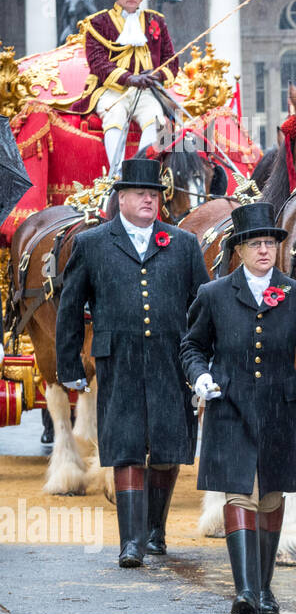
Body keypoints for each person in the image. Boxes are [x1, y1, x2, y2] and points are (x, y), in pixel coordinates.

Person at [180, 202, 296, 614]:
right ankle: (245, 590)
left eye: (269, 243)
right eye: (255, 244)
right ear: (240, 250)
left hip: (279, 410)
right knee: (238, 492)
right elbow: (191, 346)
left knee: (269, 498)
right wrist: (200, 377)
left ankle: (264, 588)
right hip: (228, 405)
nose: (264, 250)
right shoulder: (213, 295)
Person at [55, 157, 209, 567]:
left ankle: (156, 532)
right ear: (121, 198)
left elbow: (203, 307)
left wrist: (206, 362)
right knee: (124, 445)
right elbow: (69, 308)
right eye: (140, 193)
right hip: (116, 359)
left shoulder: (183, 243)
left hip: (170, 356)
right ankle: (131, 541)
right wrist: (69, 365)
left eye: (154, 194)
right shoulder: (92, 243)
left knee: (166, 445)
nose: (149, 200)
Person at [66, 0, 179, 179]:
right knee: (115, 115)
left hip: (147, 92)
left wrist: (156, 76)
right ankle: (117, 173)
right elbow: (97, 62)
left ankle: (141, 171)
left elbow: (171, 62)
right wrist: (129, 78)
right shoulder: (98, 23)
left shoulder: (157, 21)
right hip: (111, 90)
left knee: (157, 120)